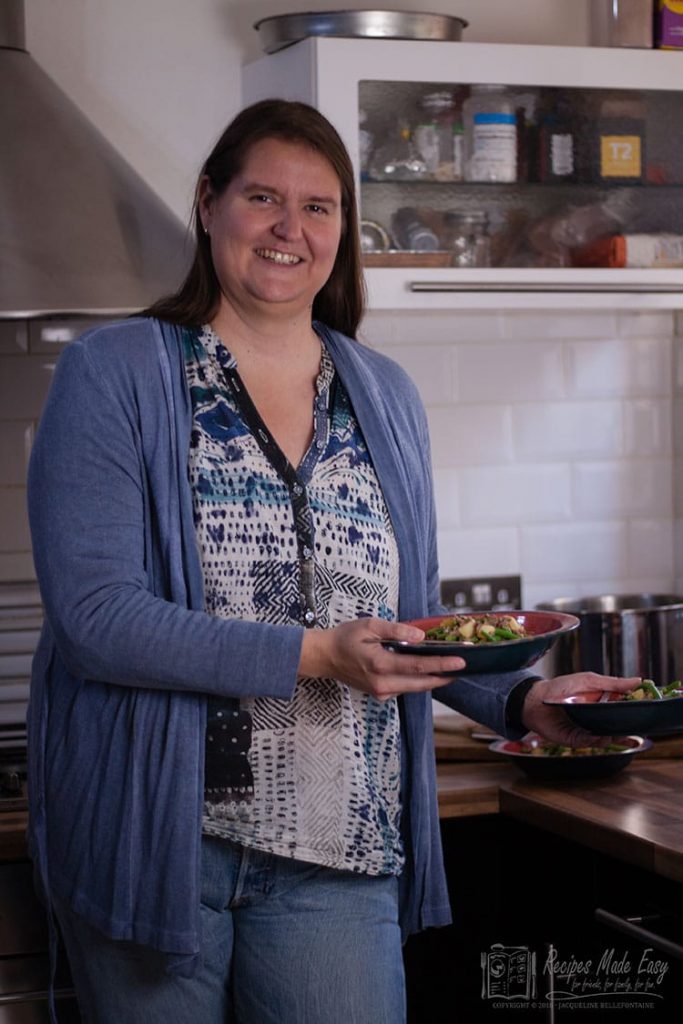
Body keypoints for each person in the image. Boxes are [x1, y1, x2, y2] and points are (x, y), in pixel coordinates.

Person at [27, 98, 638, 1024]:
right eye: (262, 198)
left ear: (343, 229)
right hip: (160, 841)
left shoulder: (380, 394)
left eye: (318, 207)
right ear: (207, 204)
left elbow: (404, 622)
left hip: (341, 843)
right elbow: (97, 622)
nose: (289, 229)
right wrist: (313, 655)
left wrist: (518, 702)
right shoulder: (116, 373)